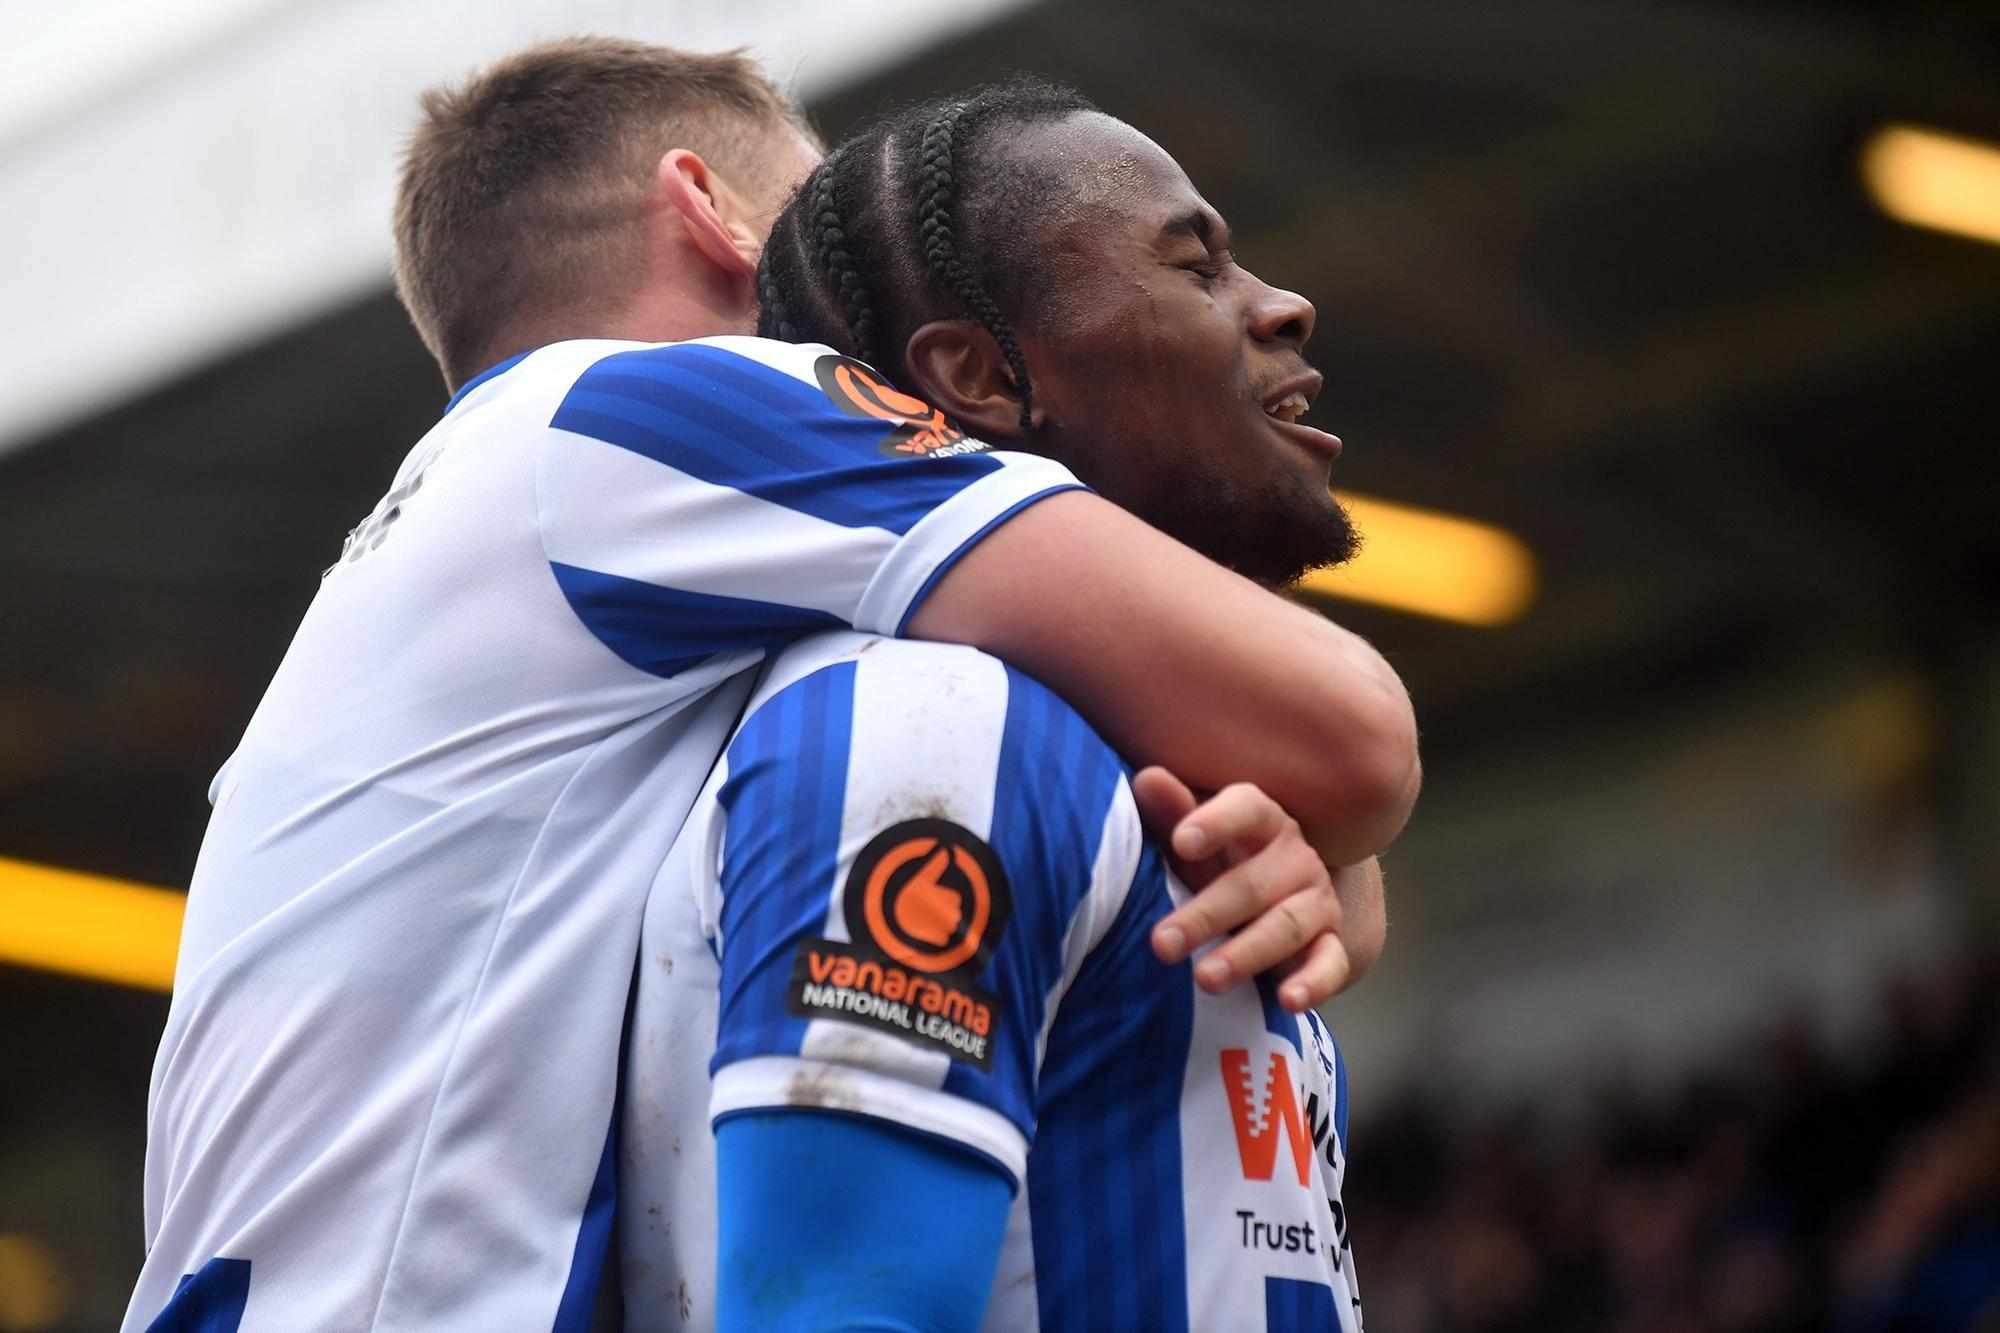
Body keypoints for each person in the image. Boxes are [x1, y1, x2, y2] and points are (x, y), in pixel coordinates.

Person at [126, 39, 1414, 1331]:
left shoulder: (498, 524)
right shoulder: (661, 408)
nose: (849, 290)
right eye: (817, 219)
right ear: (714, 209)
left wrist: (1313, 856)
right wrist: (1332, 844)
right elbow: (1339, 729)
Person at [621, 80, 1377, 1331]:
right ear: (975, 374)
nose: (1279, 303)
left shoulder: (1137, 776)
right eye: (1194, 269)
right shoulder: (932, 728)